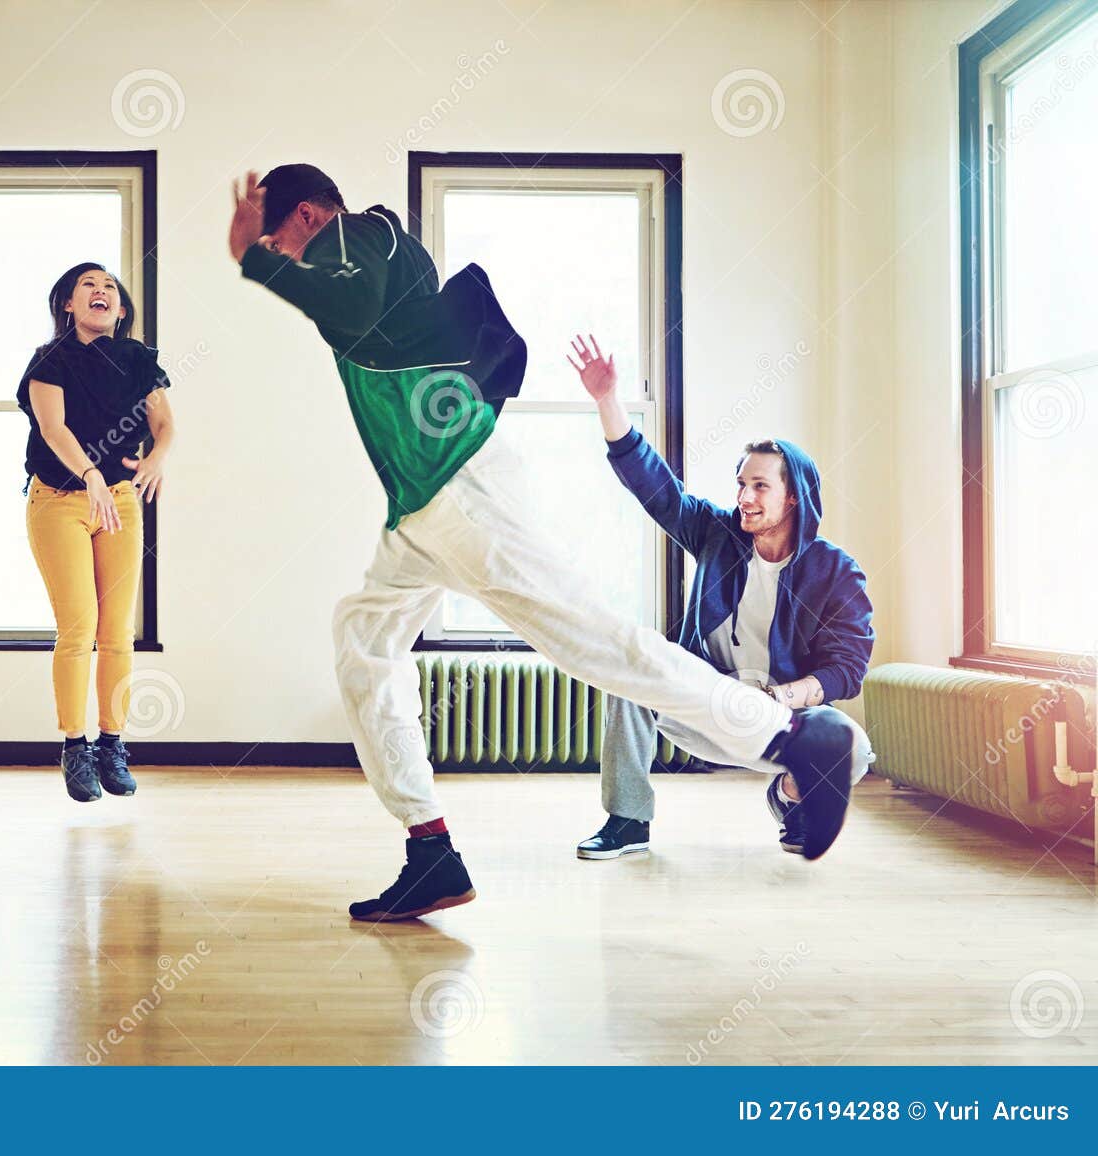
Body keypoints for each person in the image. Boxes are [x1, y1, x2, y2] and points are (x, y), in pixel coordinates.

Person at [230, 165, 861, 923]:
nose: (281, 254)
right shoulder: (371, 253)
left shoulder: (363, 236)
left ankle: (792, 736)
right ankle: (430, 849)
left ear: (305, 215)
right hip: (421, 510)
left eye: (279, 237)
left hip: (464, 490)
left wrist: (257, 262)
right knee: (363, 642)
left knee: (590, 641)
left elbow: (353, 299)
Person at [569, 334, 876, 860]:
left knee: (856, 751)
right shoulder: (718, 534)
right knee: (629, 671)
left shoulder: (836, 571)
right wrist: (607, 401)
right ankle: (627, 821)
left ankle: (790, 799)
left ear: (793, 496)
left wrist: (781, 698)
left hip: (776, 719)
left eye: (759, 486)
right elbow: (656, 487)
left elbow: (847, 669)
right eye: (740, 484)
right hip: (705, 701)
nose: (744, 497)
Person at [16, 262, 175, 802]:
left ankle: (112, 743)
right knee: (79, 627)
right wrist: (90, 475)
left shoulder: (137, 360)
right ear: (68, 304)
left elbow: (165, 422)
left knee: (118, 631)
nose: (100, 291)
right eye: (88, 285)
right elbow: (53, 428)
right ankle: (74, 746)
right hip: (59, 501)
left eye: (109, 287)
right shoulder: (51, 360)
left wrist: (157, 457)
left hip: (121, 501)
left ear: (122, 309)